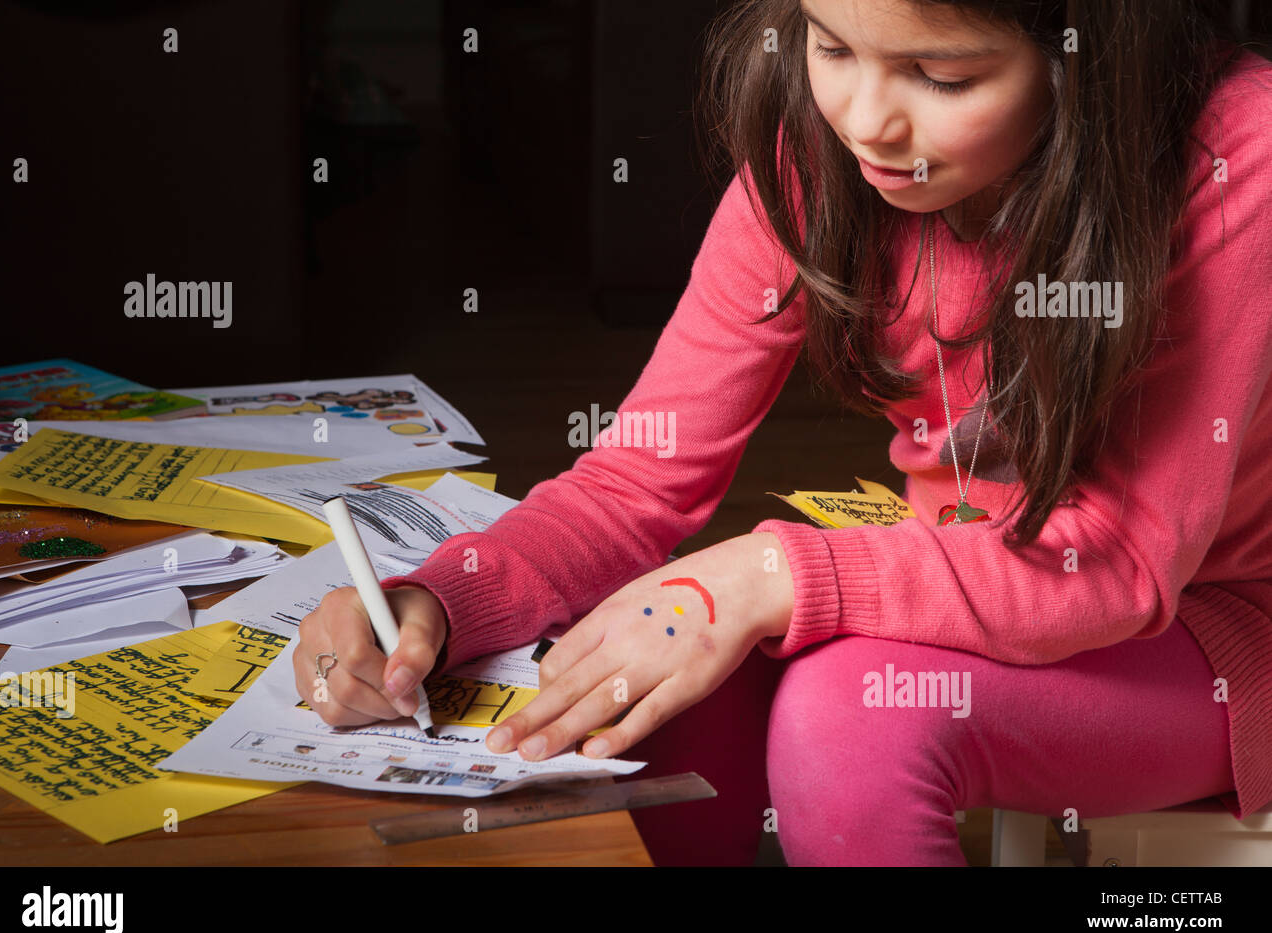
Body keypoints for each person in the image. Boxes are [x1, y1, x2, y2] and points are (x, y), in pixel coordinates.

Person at [294, 0, 1272, 865]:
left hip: (1222, 621)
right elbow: (634, 481)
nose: (865, 122)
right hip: (975, 580)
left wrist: (770, 578)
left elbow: (1117, 565)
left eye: (941, 76)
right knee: (630, 672)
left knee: (850, 709)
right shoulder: (816, 153)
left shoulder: (1238, 150)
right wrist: (440, 601)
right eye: (830, 45)